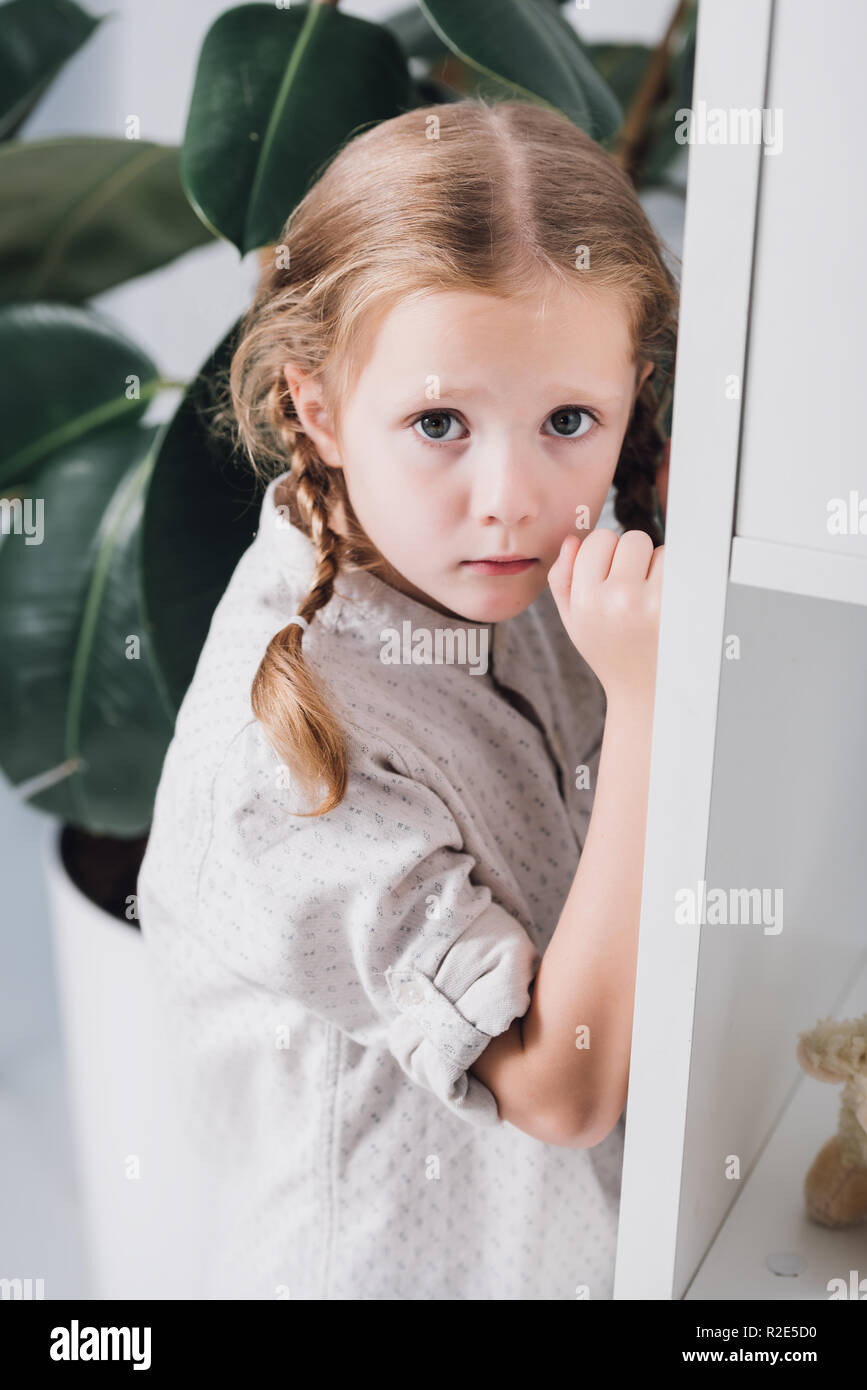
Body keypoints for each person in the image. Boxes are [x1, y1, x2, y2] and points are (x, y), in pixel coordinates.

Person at [137, 96, 676, 1301]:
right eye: (439, 422)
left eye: (568, 420)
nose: (512, 496)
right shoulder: (280, 756)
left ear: (631, 397)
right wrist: (650, 710)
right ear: (316, 408)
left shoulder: (507, 562)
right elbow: (562, 1088)